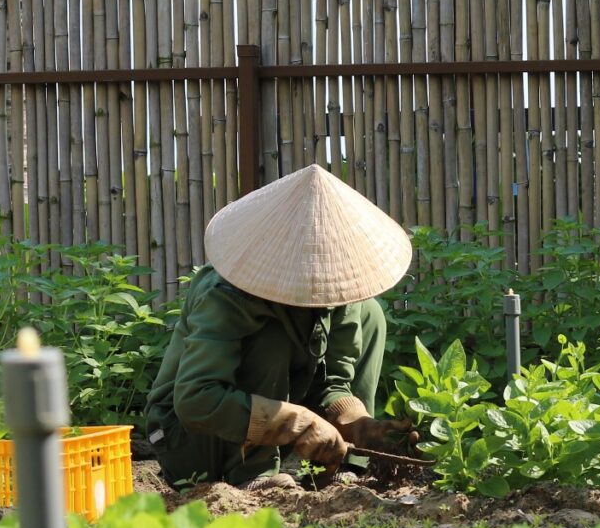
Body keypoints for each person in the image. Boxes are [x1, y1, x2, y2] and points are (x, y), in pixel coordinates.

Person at [143, 165, 417, 490]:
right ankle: (253, 474)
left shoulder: (343, 296)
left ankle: (348, 463)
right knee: (271, 337)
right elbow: (196, 400)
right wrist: (297, 423)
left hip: (270, 428)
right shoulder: (227, 295)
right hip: (189, 440)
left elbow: (333, 382)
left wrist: (355, 422)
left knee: (371, 315)